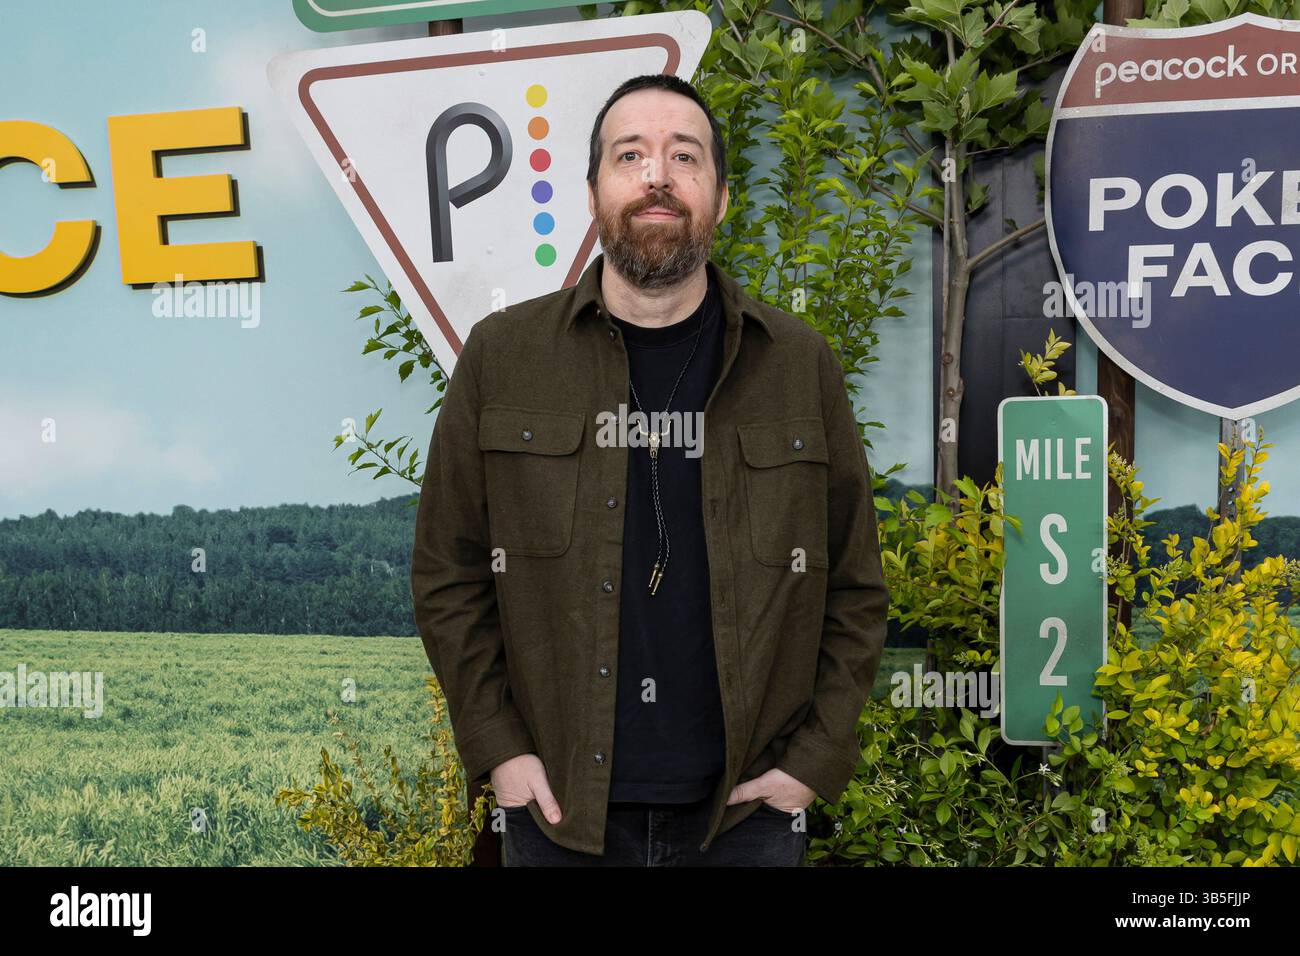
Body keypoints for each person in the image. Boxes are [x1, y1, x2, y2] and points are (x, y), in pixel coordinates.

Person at [410, 73, 889, 866]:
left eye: (684, 157)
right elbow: (447, 574)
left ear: (721, 197)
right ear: (594, 190)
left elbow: (855, 587)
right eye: (629, 155)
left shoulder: (798, 365)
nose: (657, 175)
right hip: (557, 814)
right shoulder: (502, 357)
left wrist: (812, 764)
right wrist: (499, 749)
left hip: (746, 820)